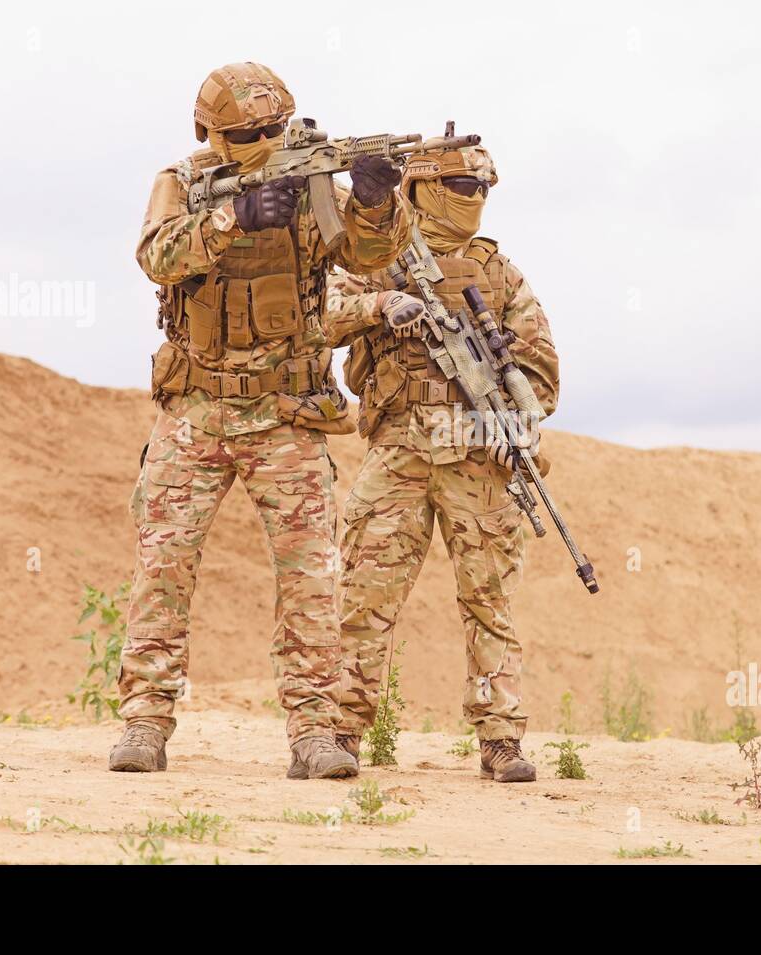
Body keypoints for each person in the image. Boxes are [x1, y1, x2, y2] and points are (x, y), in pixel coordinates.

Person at [109, 62, 407, 779]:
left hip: (286, 411)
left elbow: (371, 257)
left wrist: (373, 203)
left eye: (276, 128)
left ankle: (315, 732)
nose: (267, 140)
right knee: (164, 568)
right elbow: (154, 256)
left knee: (311, 577)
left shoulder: (311, 185)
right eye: (249, 134)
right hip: (197, 408)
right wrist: (231, 217)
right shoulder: (182, 182)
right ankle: (144, 722)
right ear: (211, 133)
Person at [326, 144, 559, 782]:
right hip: (399, 447)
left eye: (484, 184)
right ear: (423, 185)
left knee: (490, 599)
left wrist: (510, 392)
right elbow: (320, 314)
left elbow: (543, 375)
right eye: (460, 182)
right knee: (367, 596)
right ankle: (341, 730)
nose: (475, 194)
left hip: (477, 454)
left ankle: (501, 738)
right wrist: (380, 308)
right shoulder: (374, 254)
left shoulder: (498, 272)